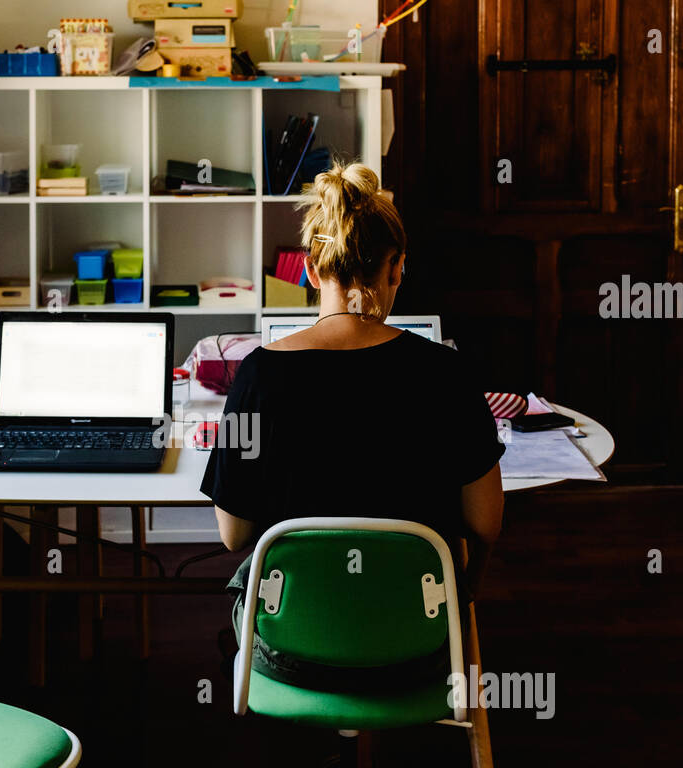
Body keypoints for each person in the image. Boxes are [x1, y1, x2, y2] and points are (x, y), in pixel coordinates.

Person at [200, 161, 505, 690]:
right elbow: (486, 525)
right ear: (396, 270)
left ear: (312, 271)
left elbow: (233, 535)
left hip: (292, 652)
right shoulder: (446, 373)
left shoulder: (259, 375)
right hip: (420, 647)